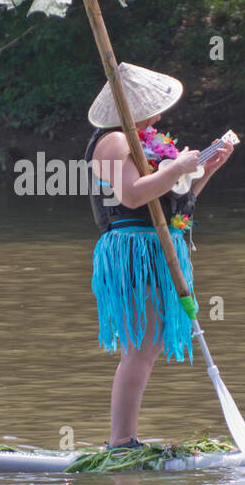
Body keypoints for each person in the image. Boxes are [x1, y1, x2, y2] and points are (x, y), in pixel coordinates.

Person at [84, 62, 234, 450]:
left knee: (146, 346)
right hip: (133, 250)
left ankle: (125, 438)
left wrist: (205, 170)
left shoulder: (142, 142)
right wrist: (180, 166)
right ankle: (121, 441)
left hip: (156, 245)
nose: (160, 115)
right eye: (151, 108)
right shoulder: (113, 143)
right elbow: (134, 195)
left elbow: (173, 203)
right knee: (141, 345)